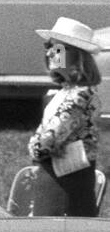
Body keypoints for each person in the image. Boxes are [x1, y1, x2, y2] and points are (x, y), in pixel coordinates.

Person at [26, 17, 103, 217]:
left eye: (56, 47)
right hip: (56, 184)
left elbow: (44, 145)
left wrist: (34, 144)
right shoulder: (65, 92)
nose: (49, 52)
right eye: (48, 46)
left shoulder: (80, 96)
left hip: (66, 190)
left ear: (76, 56)